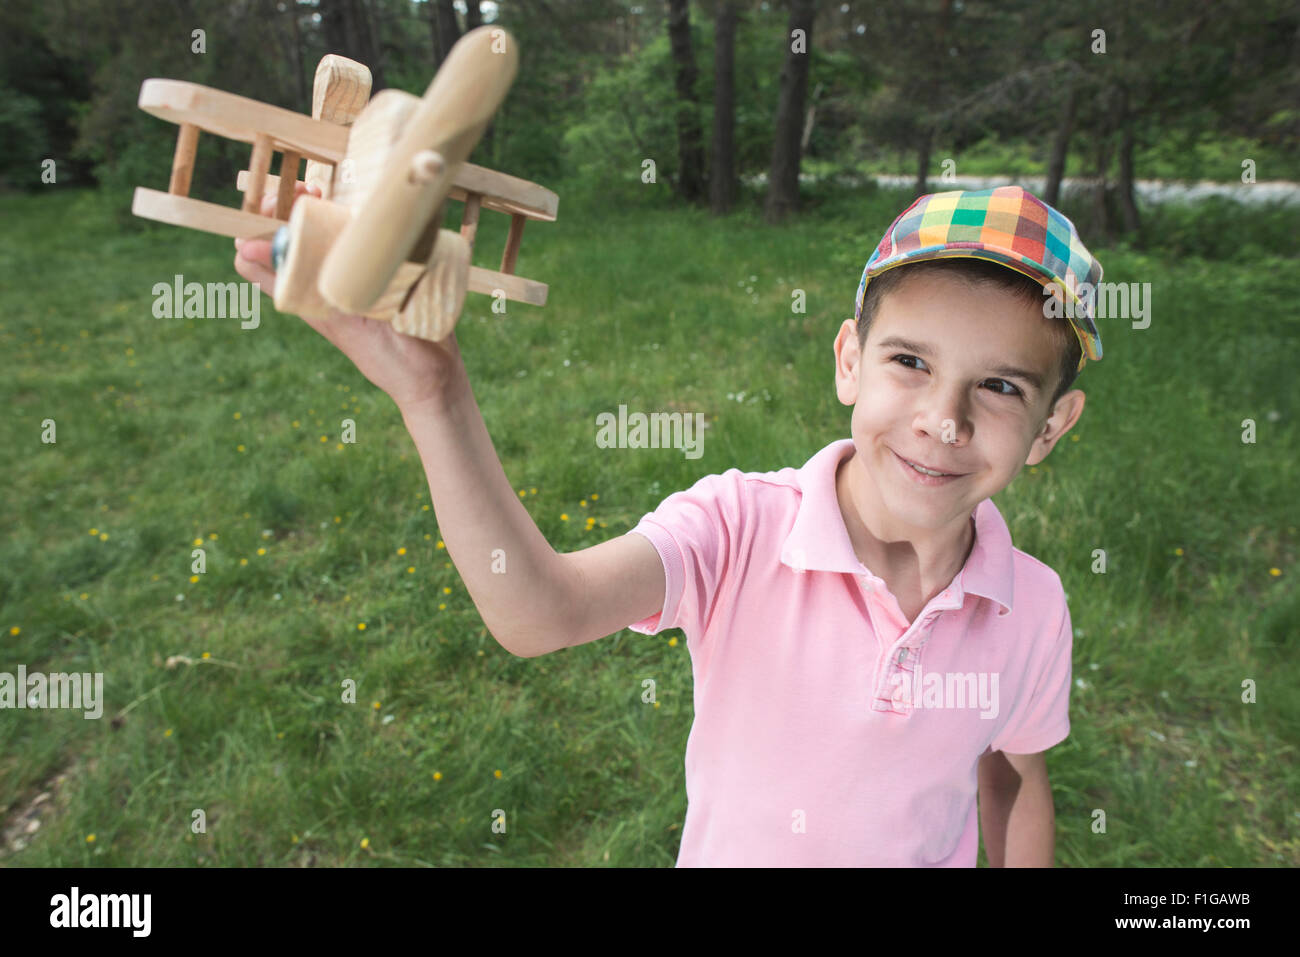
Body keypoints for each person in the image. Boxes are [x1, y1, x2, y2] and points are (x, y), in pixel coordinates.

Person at [233, 183, 1103, 867]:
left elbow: (1013, 772)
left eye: (1000, 387)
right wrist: (435, 394)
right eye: (910, 362)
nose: (942, 419)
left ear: (1052, 427)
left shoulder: (1033, 606)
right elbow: (542, 612)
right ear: (849, 360)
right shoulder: (738, 527)